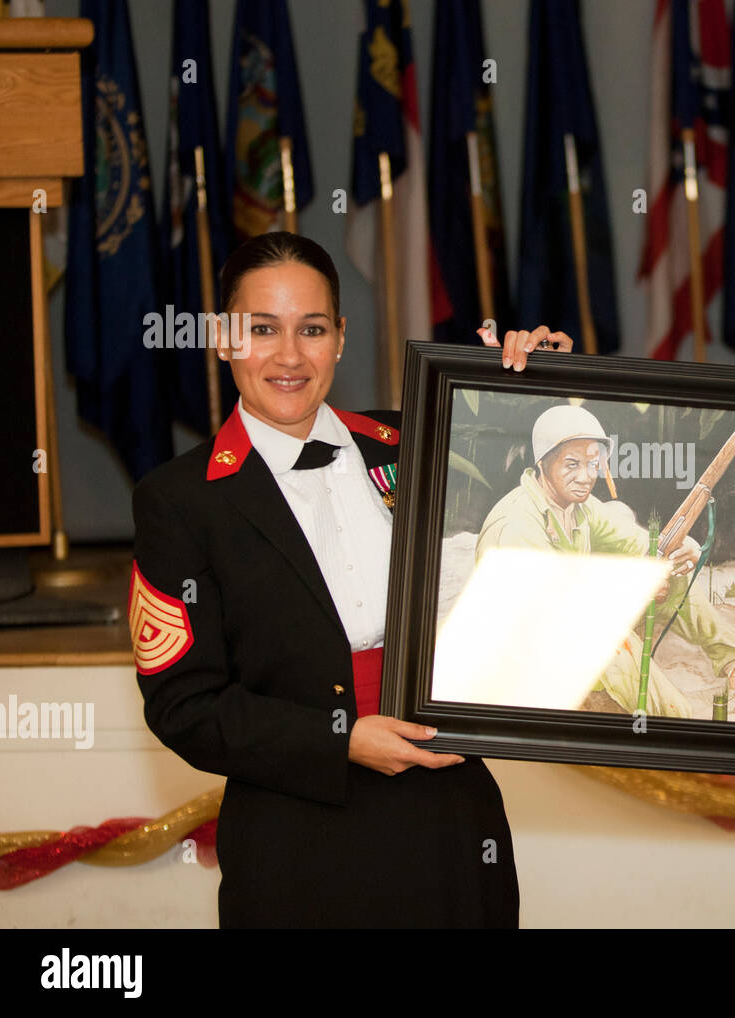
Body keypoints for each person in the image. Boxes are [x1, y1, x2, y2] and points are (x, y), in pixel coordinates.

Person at [128, 230, 569, 927]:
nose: (288, 355)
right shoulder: (181, 500)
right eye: (261, 330)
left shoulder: (423, 439)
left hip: (450, 826)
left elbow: (553, 502)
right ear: (221, 338)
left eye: (312, 329)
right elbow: (184, 705)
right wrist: (339, 741)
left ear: (340, 338)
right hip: (297, 844)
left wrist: (542, 388)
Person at [474, 404, 735, 717]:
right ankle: (679, 730)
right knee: (621, 651)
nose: (585, 476)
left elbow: (638, 545)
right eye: (571, 464)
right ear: (543, 463)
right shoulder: (517, 526)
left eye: (592, 464)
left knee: (669, 575)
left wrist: (681, 544)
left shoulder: (578, 506)